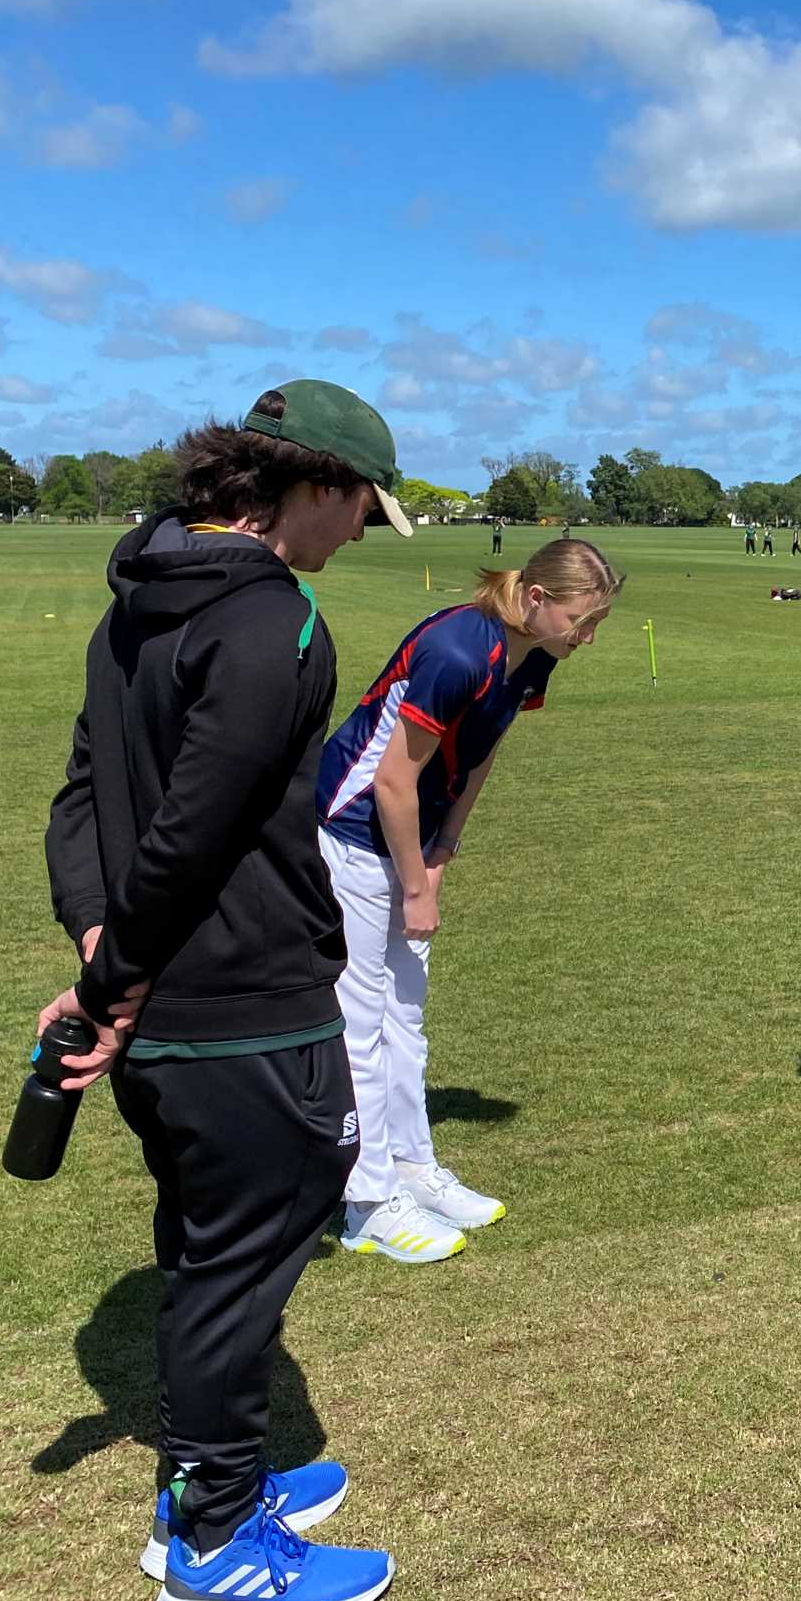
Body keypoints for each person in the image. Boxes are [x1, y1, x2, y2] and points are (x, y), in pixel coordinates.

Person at [40, 380, 409, 1601]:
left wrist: (100, 947)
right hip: (241, 1000)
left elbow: (81, 802)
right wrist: (117, 977)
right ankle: (212, 1547)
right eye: (362, 505)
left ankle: (215, 1479)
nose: (361, 531)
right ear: (312, 486)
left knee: (208, 1244)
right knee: (245, 1256)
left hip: (166, 1002)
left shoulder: (137, 600)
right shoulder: (276, 625)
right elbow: (193, 829)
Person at [317, 536, 623, 1264]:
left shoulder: (538, 653)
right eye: (582, 620)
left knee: (407, 1015)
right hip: (354, 830)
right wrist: (414, 884)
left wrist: (444, 850)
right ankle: (363, 1203)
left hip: (413, 835)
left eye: (598, 623)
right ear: (537, 597)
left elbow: (483, 747)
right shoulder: (458, 650)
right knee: (362, 1020)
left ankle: (412, 1167)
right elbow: (391, 780)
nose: (588, 637)